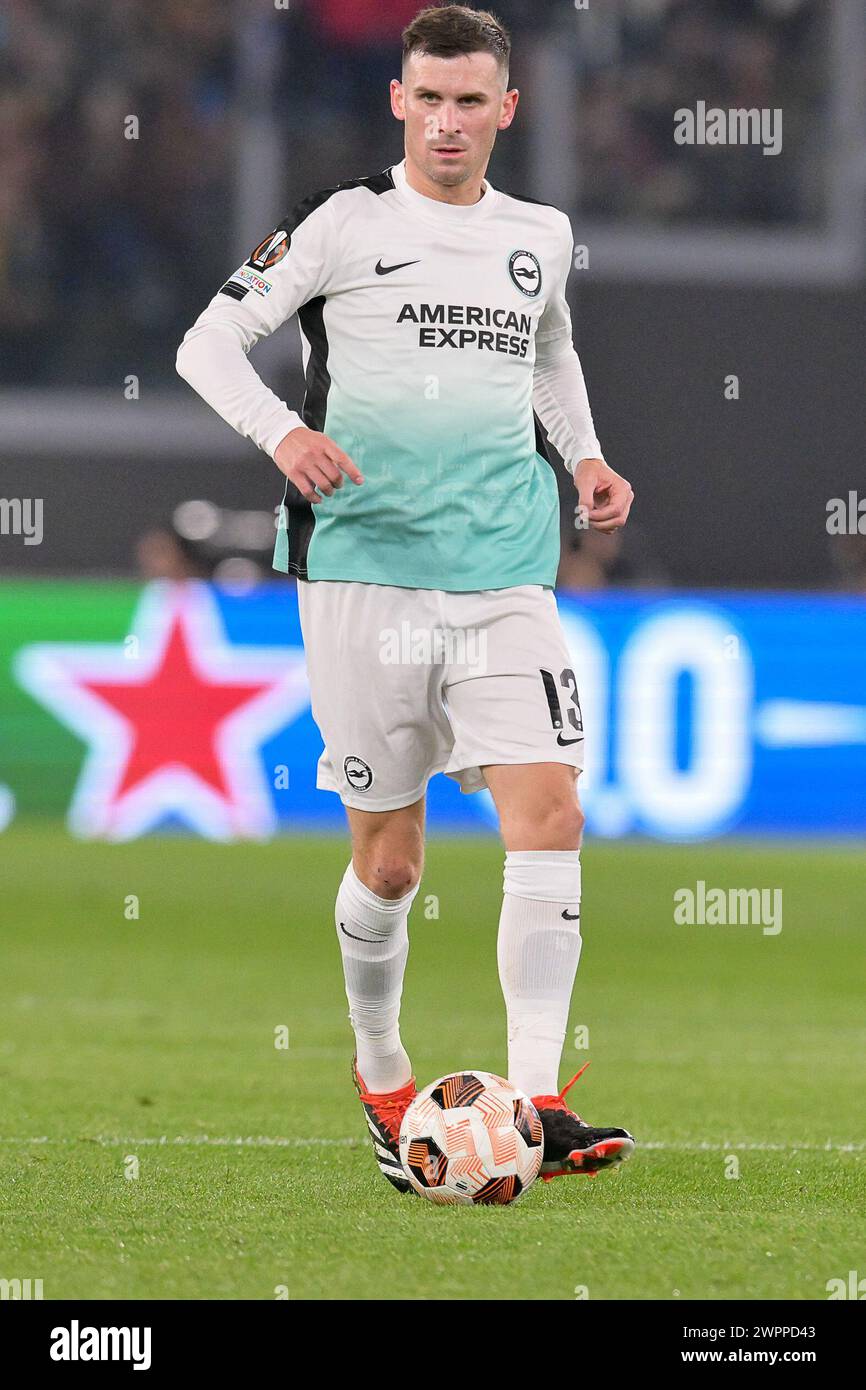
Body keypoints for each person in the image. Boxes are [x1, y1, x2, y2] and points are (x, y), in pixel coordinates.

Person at [177, 5, 636, 1193]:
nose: (446, 122)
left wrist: (583, 455)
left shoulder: (538, 232)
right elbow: (206, 346)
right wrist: (284, 434)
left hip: (503, 569)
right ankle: (382, 1074)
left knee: (549, 811)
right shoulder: (342, 222)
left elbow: (547, 354)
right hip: (362, 572)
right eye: (427, 98)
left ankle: (533, 1102)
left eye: (469, 100)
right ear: (398, 101)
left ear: (505, 110)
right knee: (388, 865)